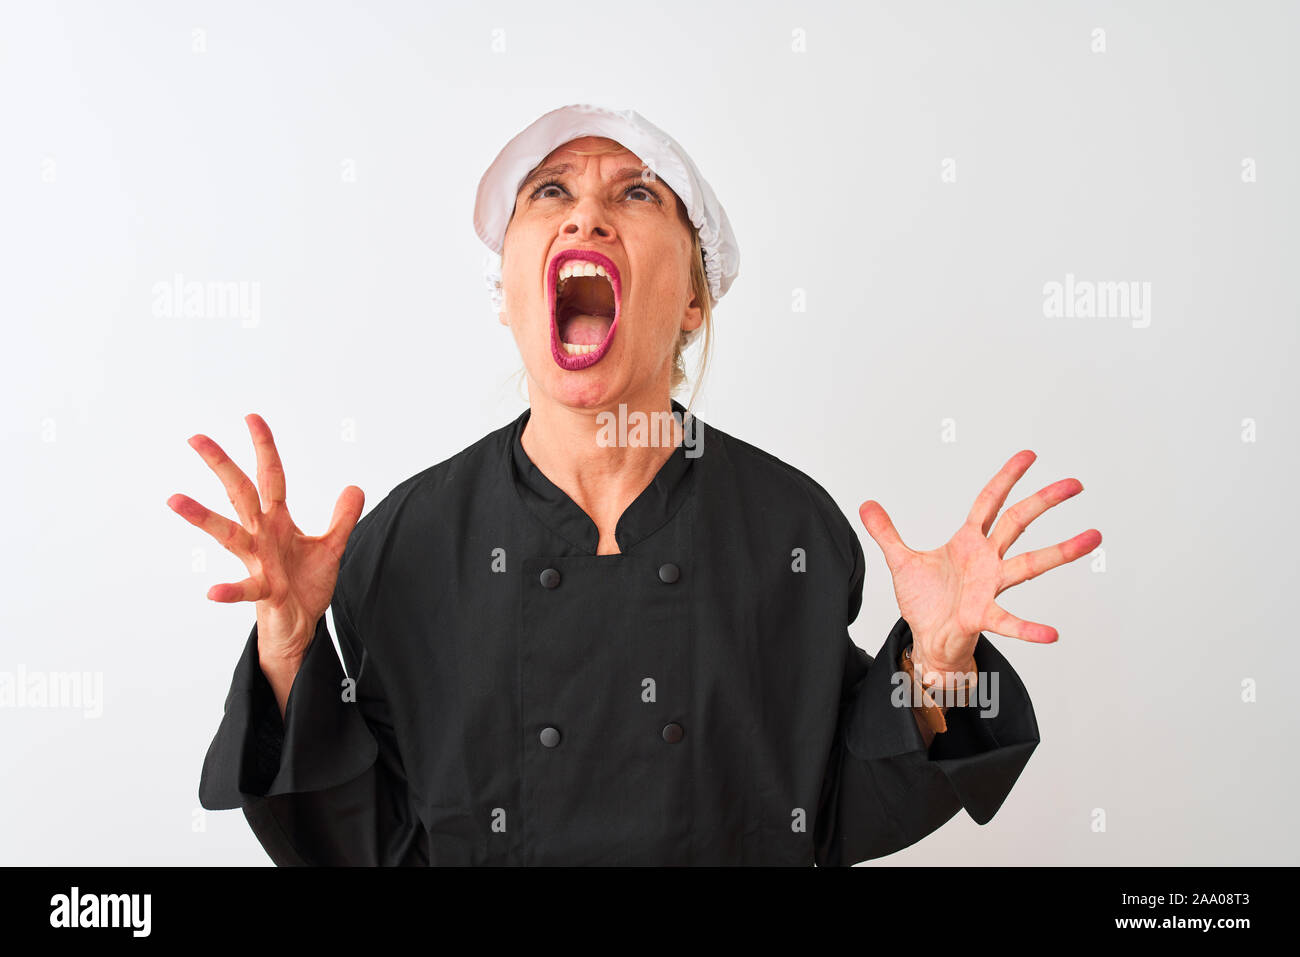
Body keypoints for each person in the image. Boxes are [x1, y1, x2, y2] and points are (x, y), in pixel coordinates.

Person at [170, 104, 1100, 866]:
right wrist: (289, 650)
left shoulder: (787, 527)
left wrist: (937, 668)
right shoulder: (409, 542)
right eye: (551, 192)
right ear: (507, 290)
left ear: (694, 298)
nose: (585, 216)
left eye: (636, 193)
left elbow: (839, 808)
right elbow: (361, 839)